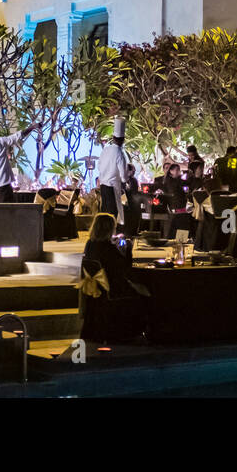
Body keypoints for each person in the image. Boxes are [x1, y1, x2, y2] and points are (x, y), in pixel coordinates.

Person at [79, 212, 148, 342]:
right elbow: (124, 268)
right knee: (143, 291)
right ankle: (133, 331)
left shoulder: (90, 244)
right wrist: (128, 249)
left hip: (96, 287)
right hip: (112, 288)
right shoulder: (108, 248)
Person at [96, 117, 128, 225]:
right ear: (123, 140)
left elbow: (99, 166)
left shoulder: (106, 150)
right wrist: (125, 180)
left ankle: (102, 231)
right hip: (113, 186)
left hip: (103, 185)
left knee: (104, 211)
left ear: (113, 138)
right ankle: (112, 232)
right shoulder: (119, 153)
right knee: (112, 213)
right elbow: (123, 176)